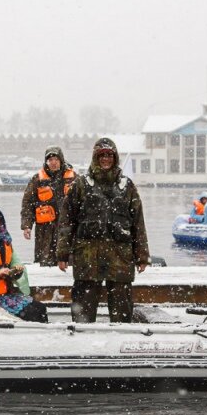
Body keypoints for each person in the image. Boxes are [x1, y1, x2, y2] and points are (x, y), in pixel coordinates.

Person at [56, 137, 150, 323]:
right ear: (95, 158)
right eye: (102, 156)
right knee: (84, 303)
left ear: (115, 158)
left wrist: (142, 255)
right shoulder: (80, 185)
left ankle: (121, 339)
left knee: (122, 305)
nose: (106, 159)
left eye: (109, 155)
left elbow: (138, 223)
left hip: (120, 256)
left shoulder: (127, 187)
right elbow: (67, 222)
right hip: (88, 255)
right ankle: (82, 338)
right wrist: (62, 254)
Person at [20, 145, 76, 266]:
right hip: (45, 231)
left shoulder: (74, 178)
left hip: (67, 228)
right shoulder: (37, 180)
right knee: (44, 262)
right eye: (50, 160)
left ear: (61, 160)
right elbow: (27, 204)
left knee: (70, 261)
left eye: (56, 159)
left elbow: (83, 202)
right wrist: (26, 226)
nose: (53, 162)